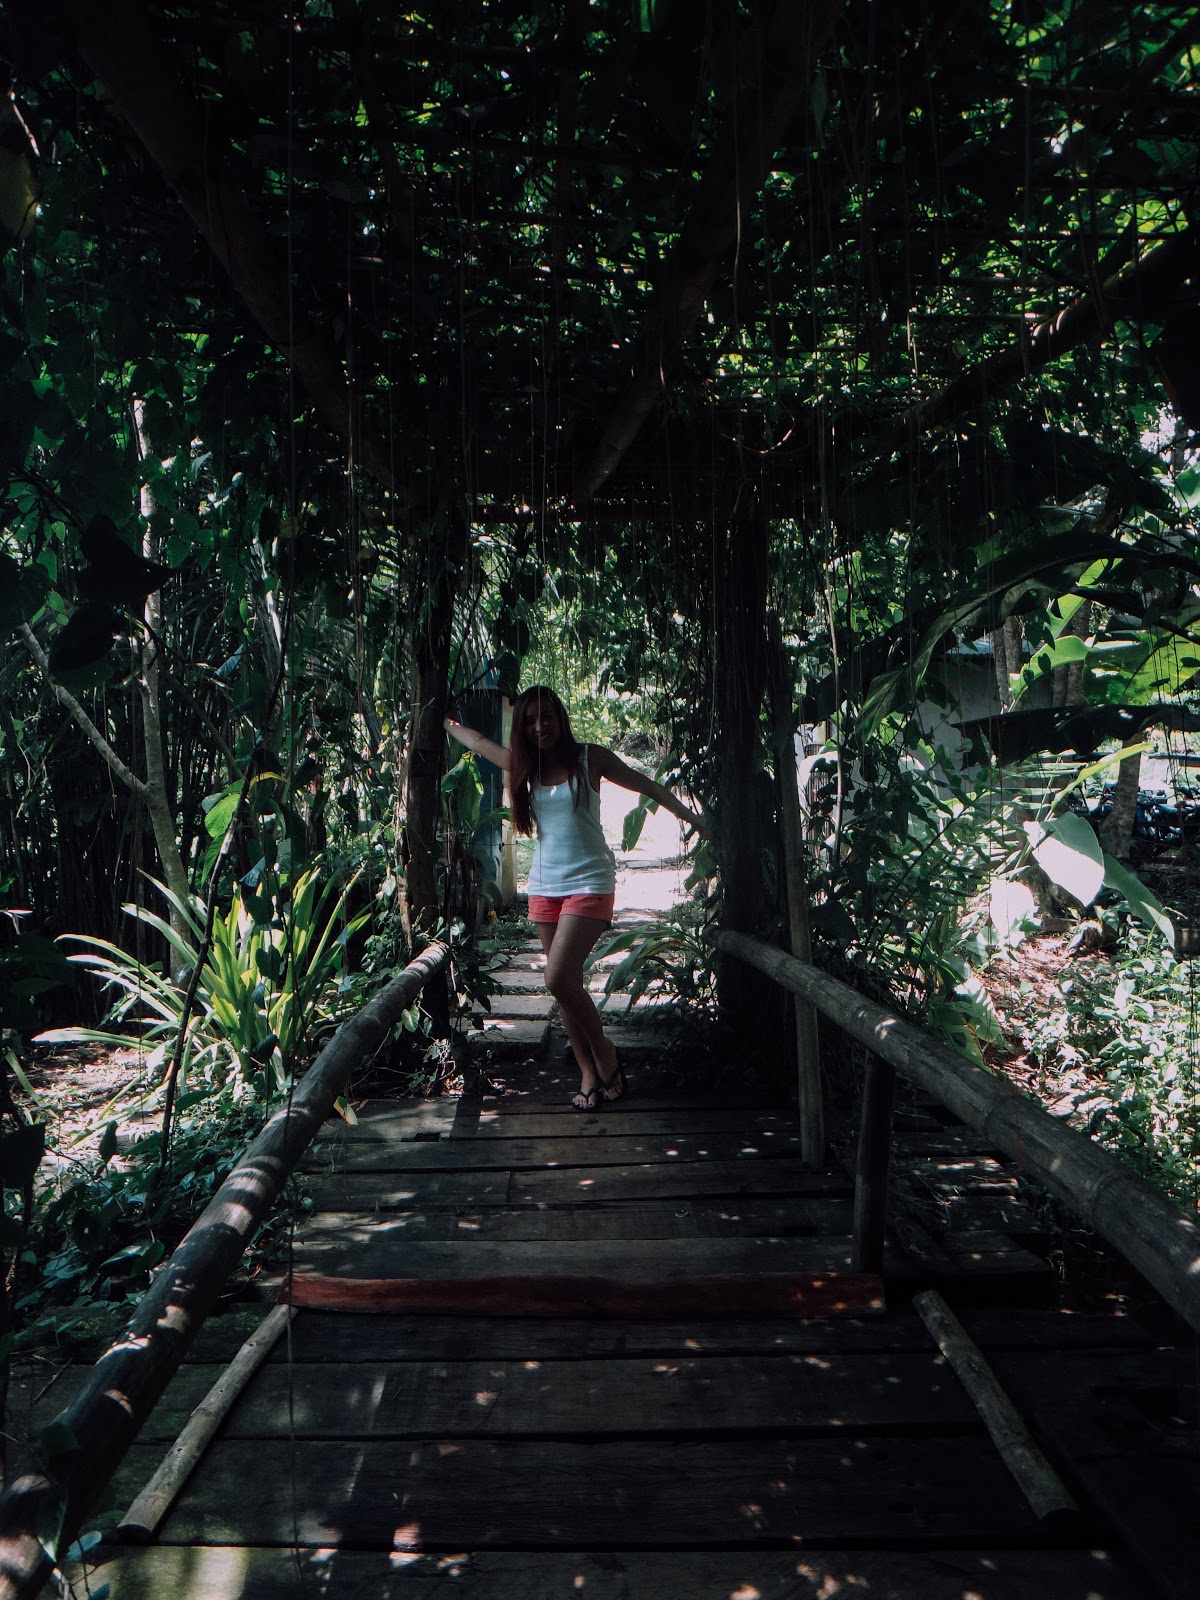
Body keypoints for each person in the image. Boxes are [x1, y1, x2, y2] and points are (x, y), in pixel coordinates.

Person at [444, 686, 707, 1109]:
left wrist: (693, 818)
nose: (538, 726)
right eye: (529, 721)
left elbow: (647, 786)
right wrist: (445, 720)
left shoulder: (591, 759)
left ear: (560, 718)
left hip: (590, 881)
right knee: (565, 988)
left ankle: (603, 1050)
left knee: (556, 977)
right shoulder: (522, 765)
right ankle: (588, 1071)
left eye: (546, 717)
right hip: (545, 887)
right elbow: (476, 741)